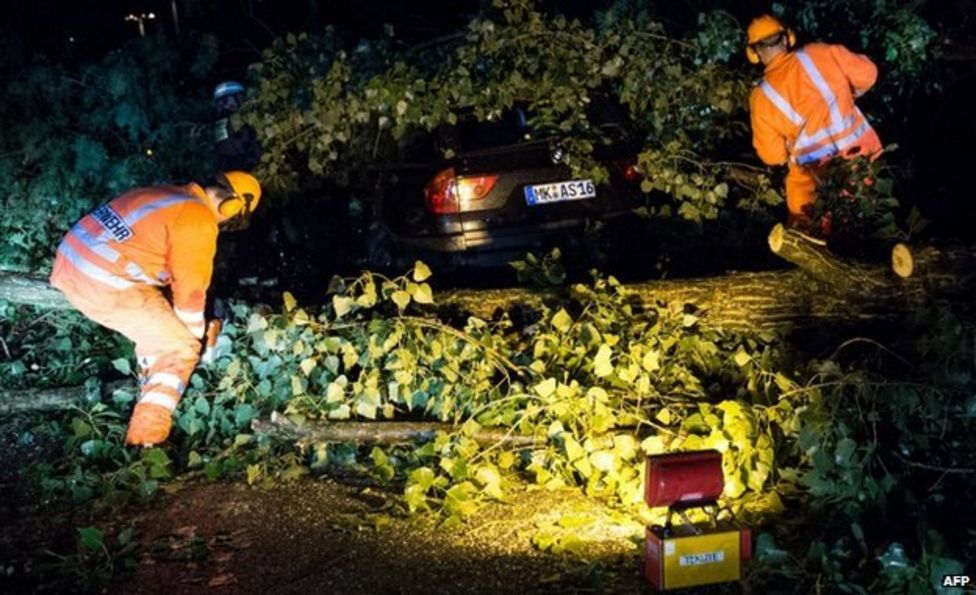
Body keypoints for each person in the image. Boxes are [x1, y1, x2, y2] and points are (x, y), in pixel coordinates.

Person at [49, 172, 262, 446]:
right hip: (103, 279)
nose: (223, 224)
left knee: (161, 328)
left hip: (70, 263)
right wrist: (196, 338)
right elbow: (191, 292)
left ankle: (151, 373)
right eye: (230, 220)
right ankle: (144, 443)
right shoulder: (198, 218)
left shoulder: (168, 194)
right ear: (231, 205)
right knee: (179, 348)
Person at [746, 14, 883, 231]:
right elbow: (869, 74)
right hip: (862, 159)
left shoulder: (761, 97)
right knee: (870, 219)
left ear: (754, 53)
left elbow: (772, 156)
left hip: (813, 181)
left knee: (809, 236)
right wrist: (848, 95)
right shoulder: (819, 53)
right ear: (787, 38)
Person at [213, 81, 261, 172]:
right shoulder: (225, 123)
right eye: (221, 102)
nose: (222, 106)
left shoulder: (247, 117)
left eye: (225, 101)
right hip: (241, 170)